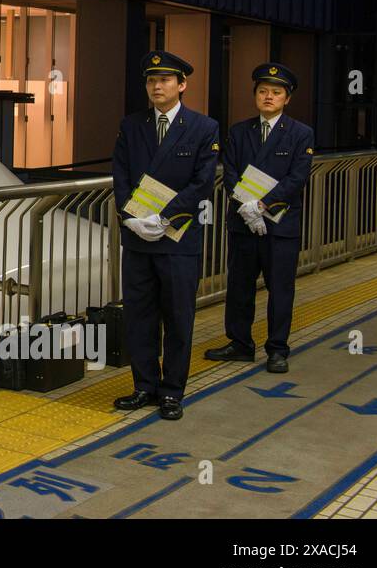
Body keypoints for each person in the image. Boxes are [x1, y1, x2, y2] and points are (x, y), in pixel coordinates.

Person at [111, 51, 220, 420]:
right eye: (151, 81)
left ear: (182, 85)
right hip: (139, 238)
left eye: (165, 80)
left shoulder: (204, 128)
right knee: (139, 315)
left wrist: (165, 217)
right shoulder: (132, 125)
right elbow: (121, 175)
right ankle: (144, 385)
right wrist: (130, 217)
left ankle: (172, 390)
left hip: (177, 238)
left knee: (177, 316)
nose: (157, 86)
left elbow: (202, 182)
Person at [205, 63, 314, 373]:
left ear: (287, 98)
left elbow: (297, 178)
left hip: (280, 226)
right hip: (243, 222)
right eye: (263, 91)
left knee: (280, 289)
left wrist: (263, 206)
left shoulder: (300, 133)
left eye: (276, 92)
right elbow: (231, 172)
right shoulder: (240, 131)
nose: (269, 97)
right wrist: (247, 207)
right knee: (239, 287)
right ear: (255, 95)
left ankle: (277, 348)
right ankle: (240, 343)